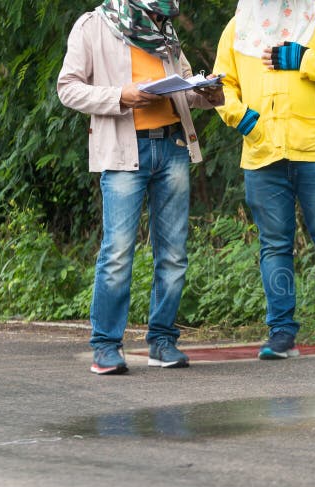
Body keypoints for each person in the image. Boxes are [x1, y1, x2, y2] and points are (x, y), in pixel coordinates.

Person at [57, 0, 224, 375]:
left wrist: (207, 93)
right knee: (117, 253)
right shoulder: (94, 25)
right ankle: (105, 346)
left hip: (173, 147)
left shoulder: (163, 27)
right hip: (123, 152)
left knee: (174, 254)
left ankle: (162, 341)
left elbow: (182, 90)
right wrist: (121, 96)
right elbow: (67, 89)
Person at [213, 0, 315, 359]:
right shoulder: (238, 25)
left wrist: (306, 60)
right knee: (274, 245)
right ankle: (281, 334)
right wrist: (240, 117)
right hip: (263, 152)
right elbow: (219, 85)